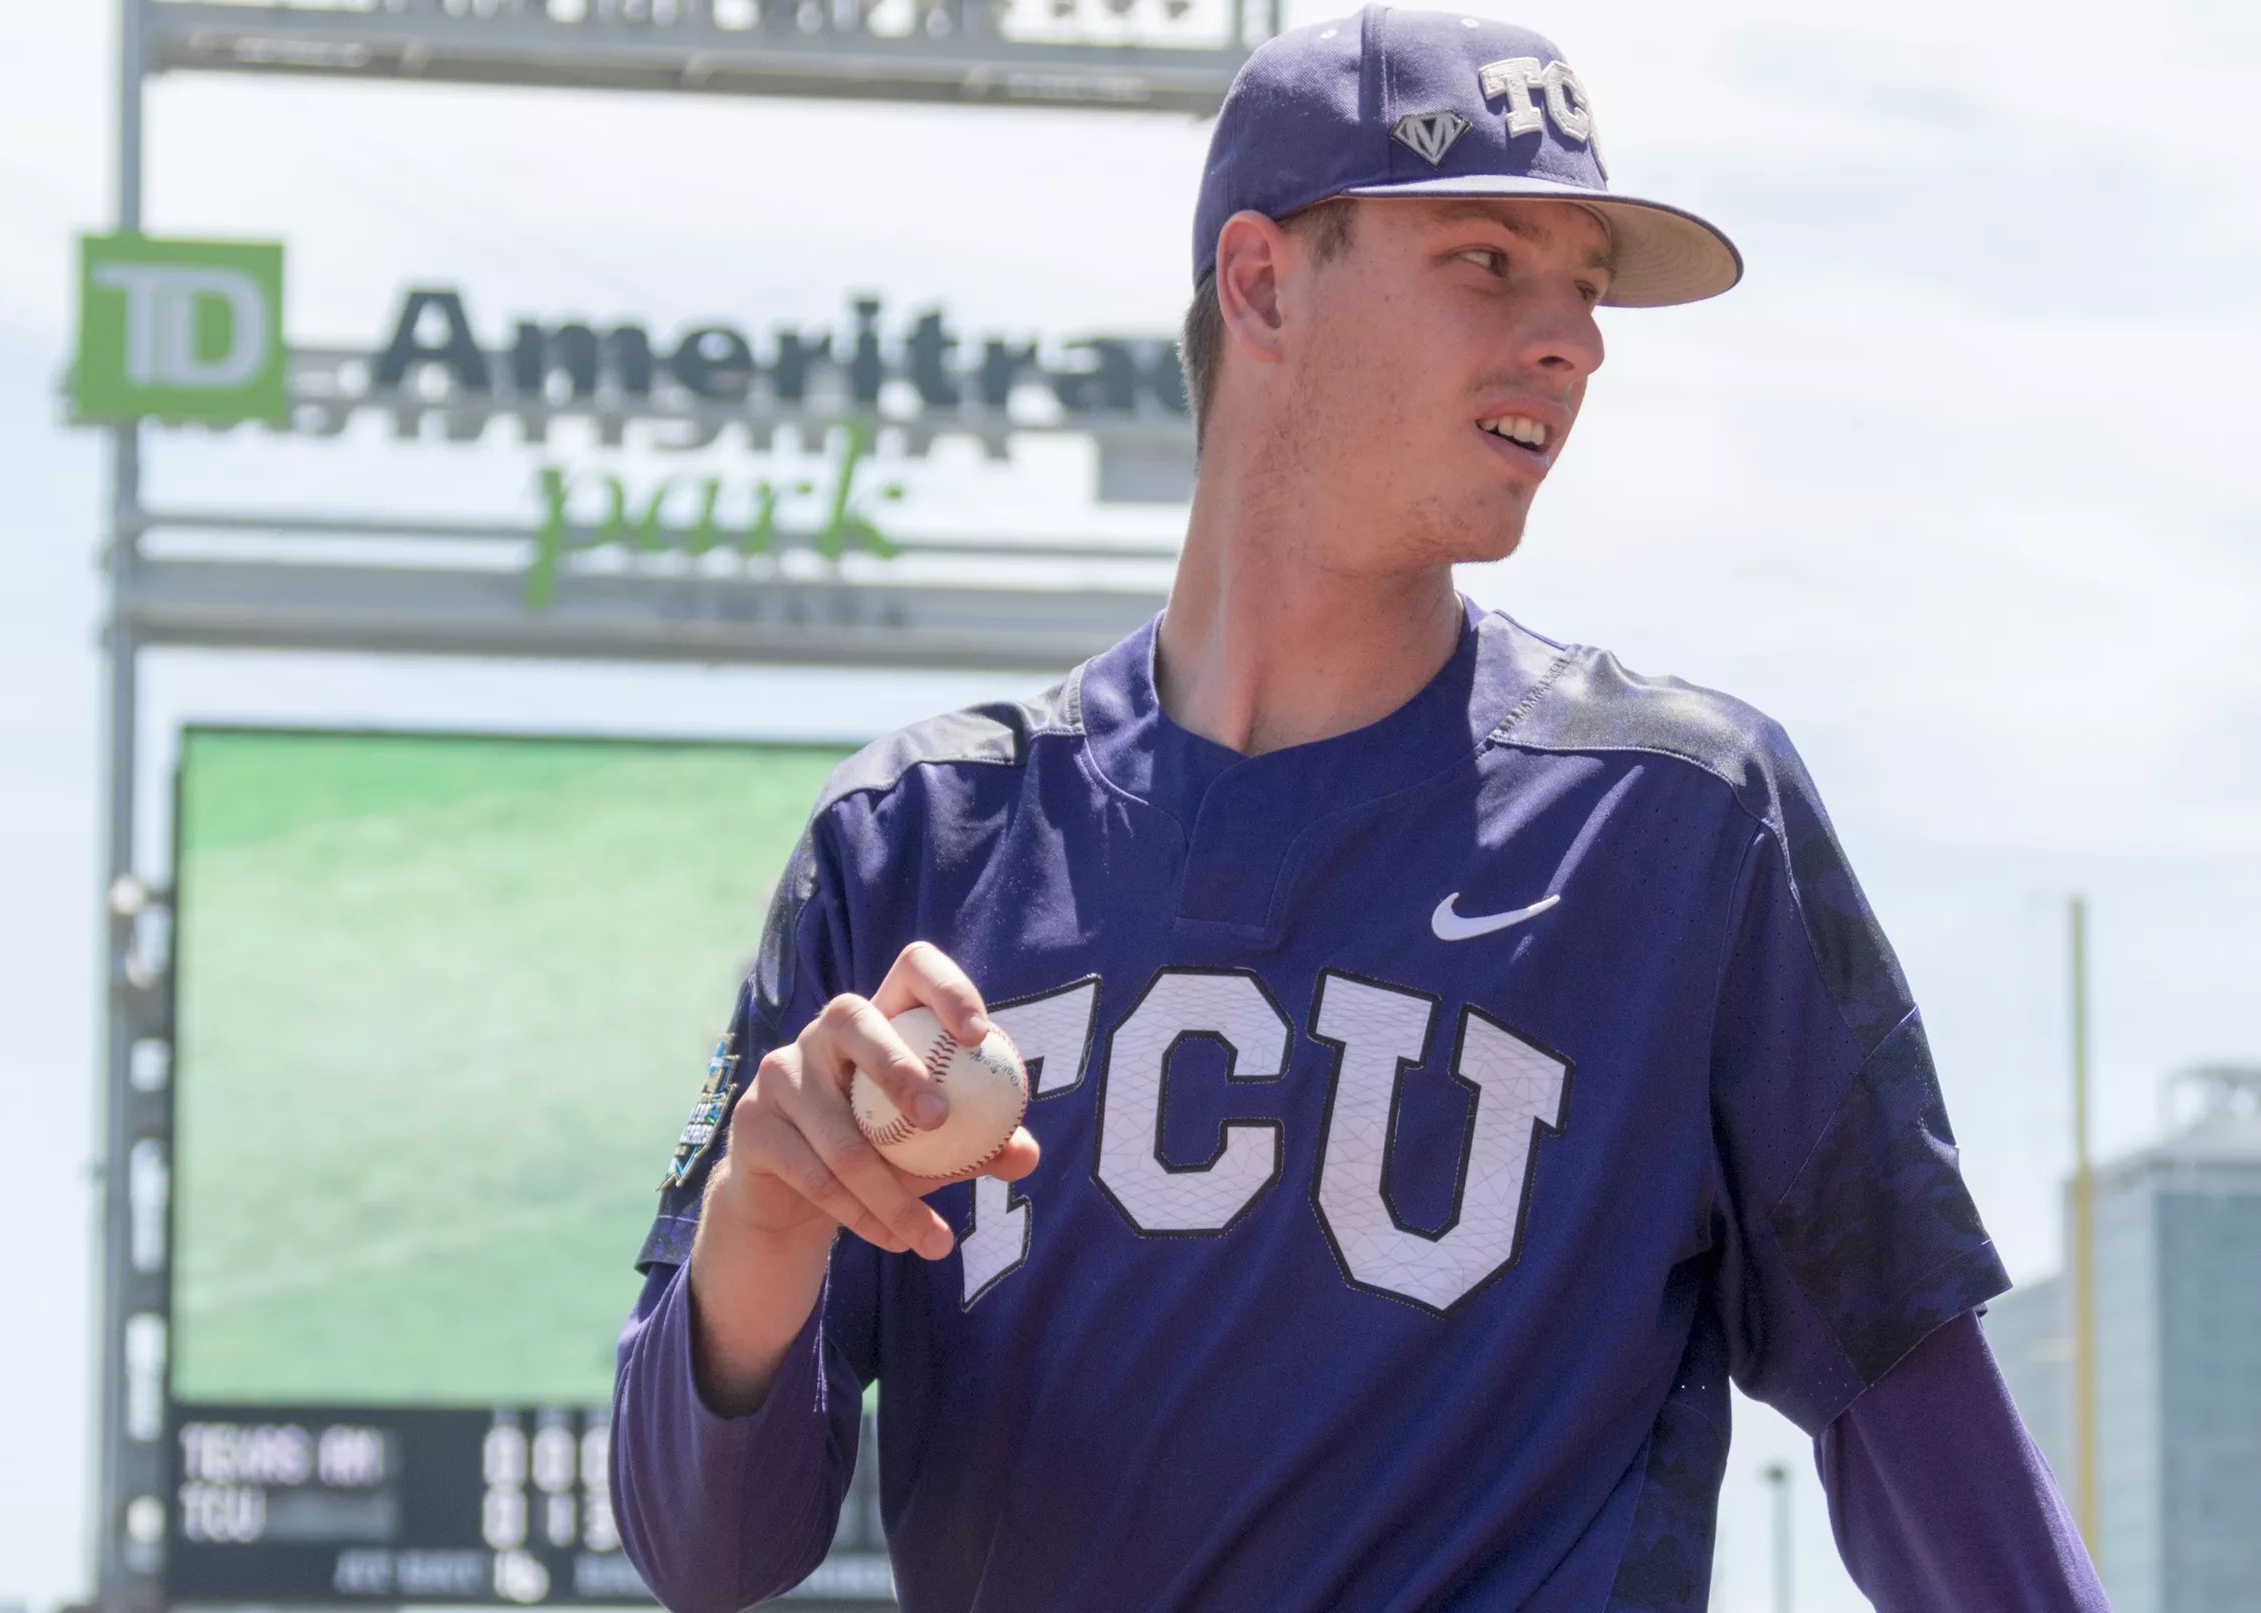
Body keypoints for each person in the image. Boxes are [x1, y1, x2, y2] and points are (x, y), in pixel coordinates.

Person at [609, 9, 2111, 1609]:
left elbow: (1915, 1416)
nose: (1573, 341)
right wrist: (759, 1233)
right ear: (1261, 284)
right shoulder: (912, 841)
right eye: (1487, 259)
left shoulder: (1680, 829)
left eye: (1587, 288)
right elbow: (710, 1551)